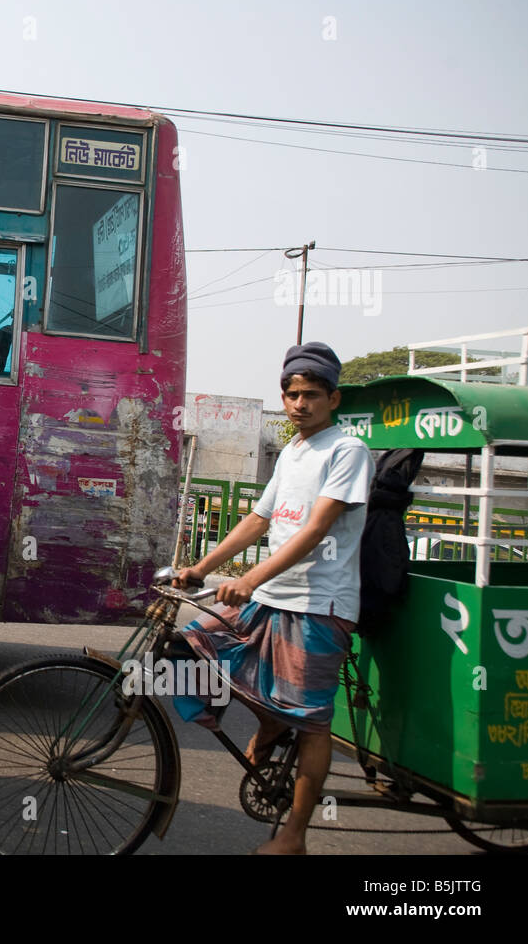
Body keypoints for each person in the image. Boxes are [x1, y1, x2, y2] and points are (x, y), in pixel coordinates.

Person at [171, 341, 374, 854]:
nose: (299, 403)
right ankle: (267, 723)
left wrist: (251, 578)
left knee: (311, 721)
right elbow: (258, 520)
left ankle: (295, 836)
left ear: (334, 398)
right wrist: (202, 568)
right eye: (290, 394)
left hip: (320, 605)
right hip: (272, 595)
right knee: (192, 645)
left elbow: (316, 528)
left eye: (310, 394)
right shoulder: (292, 451)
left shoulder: (346, 451)